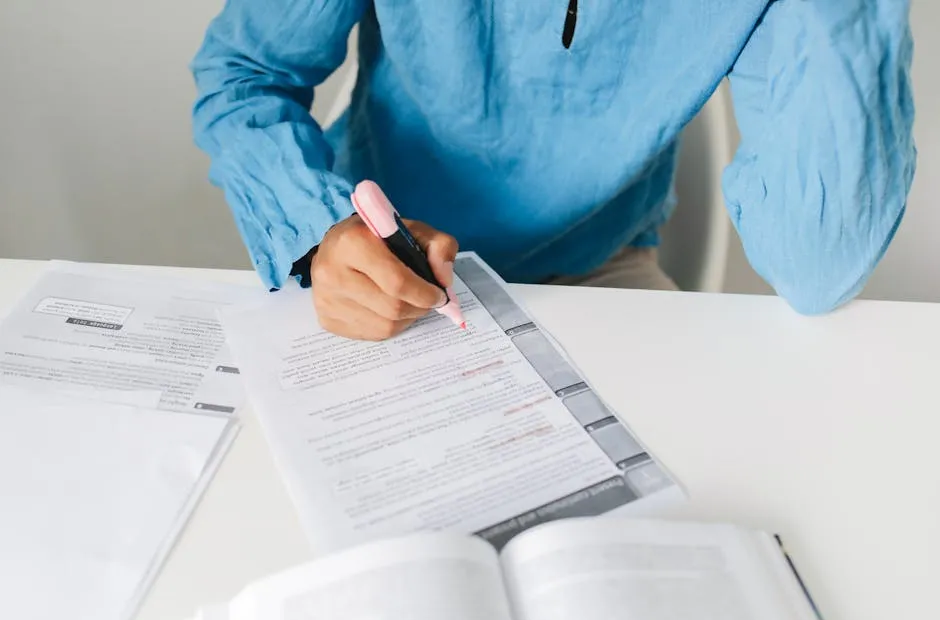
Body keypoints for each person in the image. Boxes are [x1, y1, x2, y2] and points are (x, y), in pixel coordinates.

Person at [191, 1, 916, 341]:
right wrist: (318, 233)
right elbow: (246, 73)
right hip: (377, 259)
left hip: (604, 268)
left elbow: (819, 259)